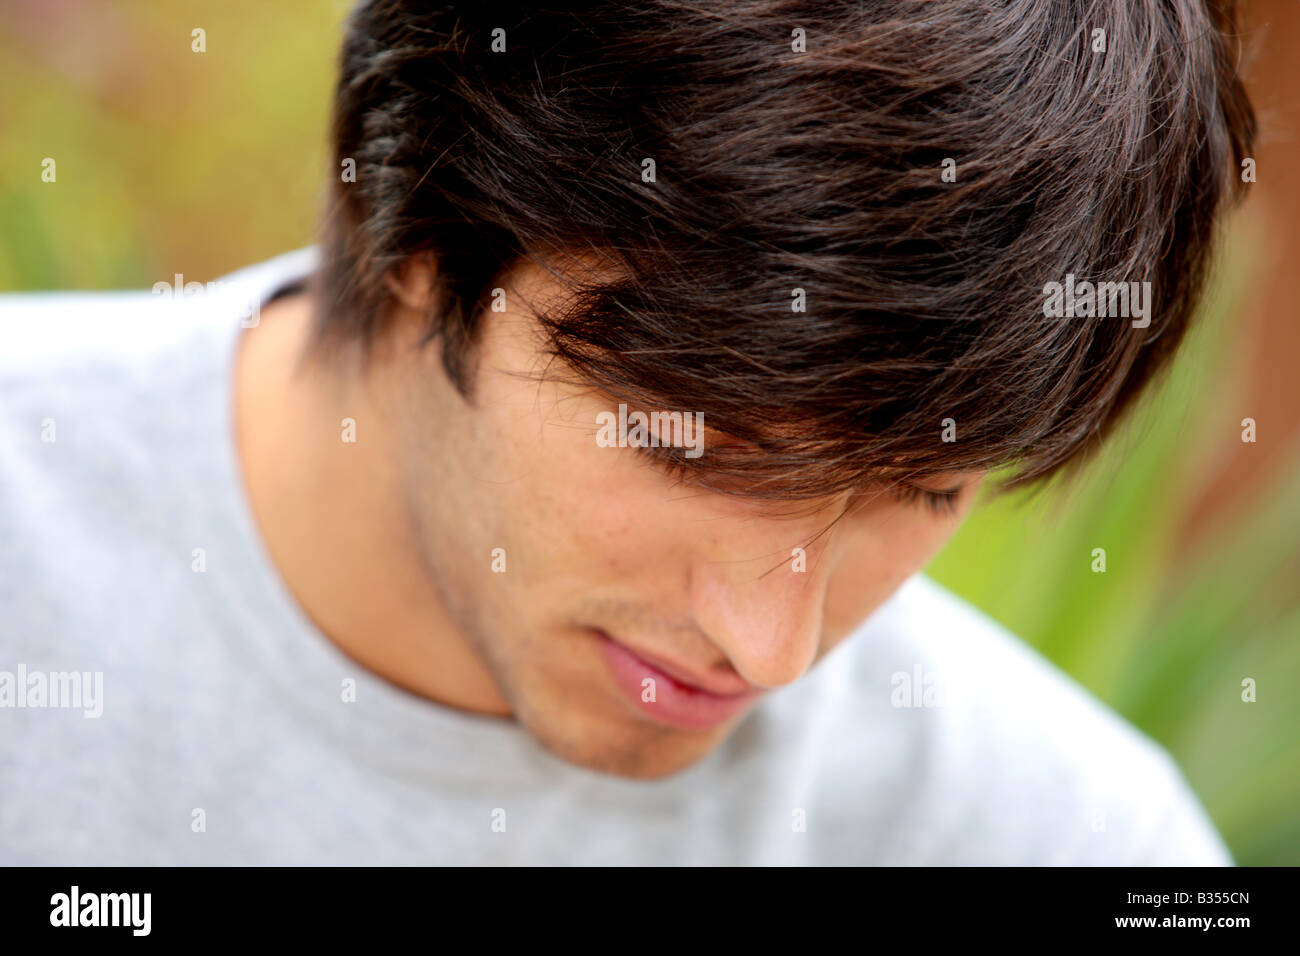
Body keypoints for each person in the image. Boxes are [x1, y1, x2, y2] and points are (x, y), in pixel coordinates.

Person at [0, 0, 1254, 864]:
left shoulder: (1053, 836)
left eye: (923, 489)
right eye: (702, 448)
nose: (769, 649)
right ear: (425, 235)